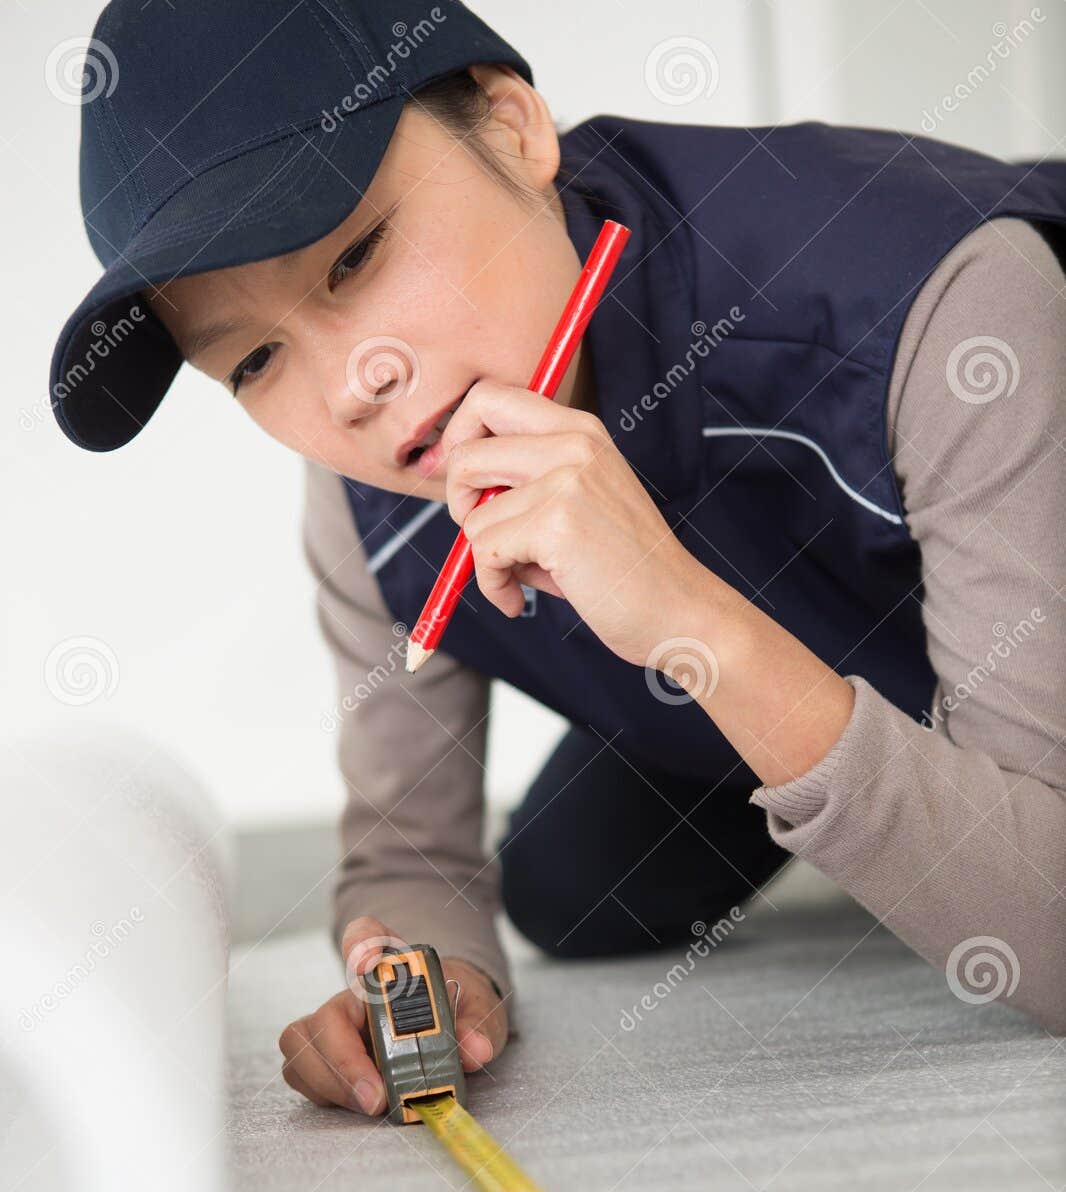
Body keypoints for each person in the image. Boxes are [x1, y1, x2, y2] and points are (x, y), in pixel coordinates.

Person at [51, 1, 1066, 1117]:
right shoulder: (373, 487)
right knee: (576, 886)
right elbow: (409, 855)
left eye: (357, 255)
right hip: (858, 628)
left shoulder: (942, 304)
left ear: (514, 126)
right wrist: (422, 981)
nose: (350, 385)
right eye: (252, 362)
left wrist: (688, 615)